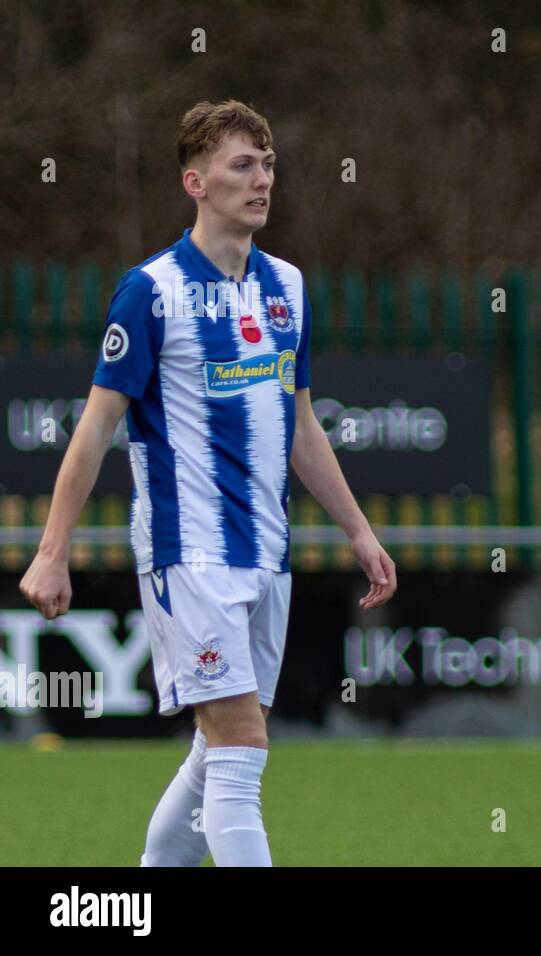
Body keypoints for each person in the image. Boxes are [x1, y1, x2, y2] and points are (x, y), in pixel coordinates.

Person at [18, 99, 397, 867]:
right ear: (195, 181)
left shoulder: (286, 285)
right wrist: (52, 549)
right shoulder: (151, 290)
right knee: (241, 751)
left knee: (221, 745)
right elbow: (94, 429)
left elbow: (302, 427)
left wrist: (358, 530)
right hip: (188, 552)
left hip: (267, 551)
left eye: (268, 166)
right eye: (242, 166)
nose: (262, 181)